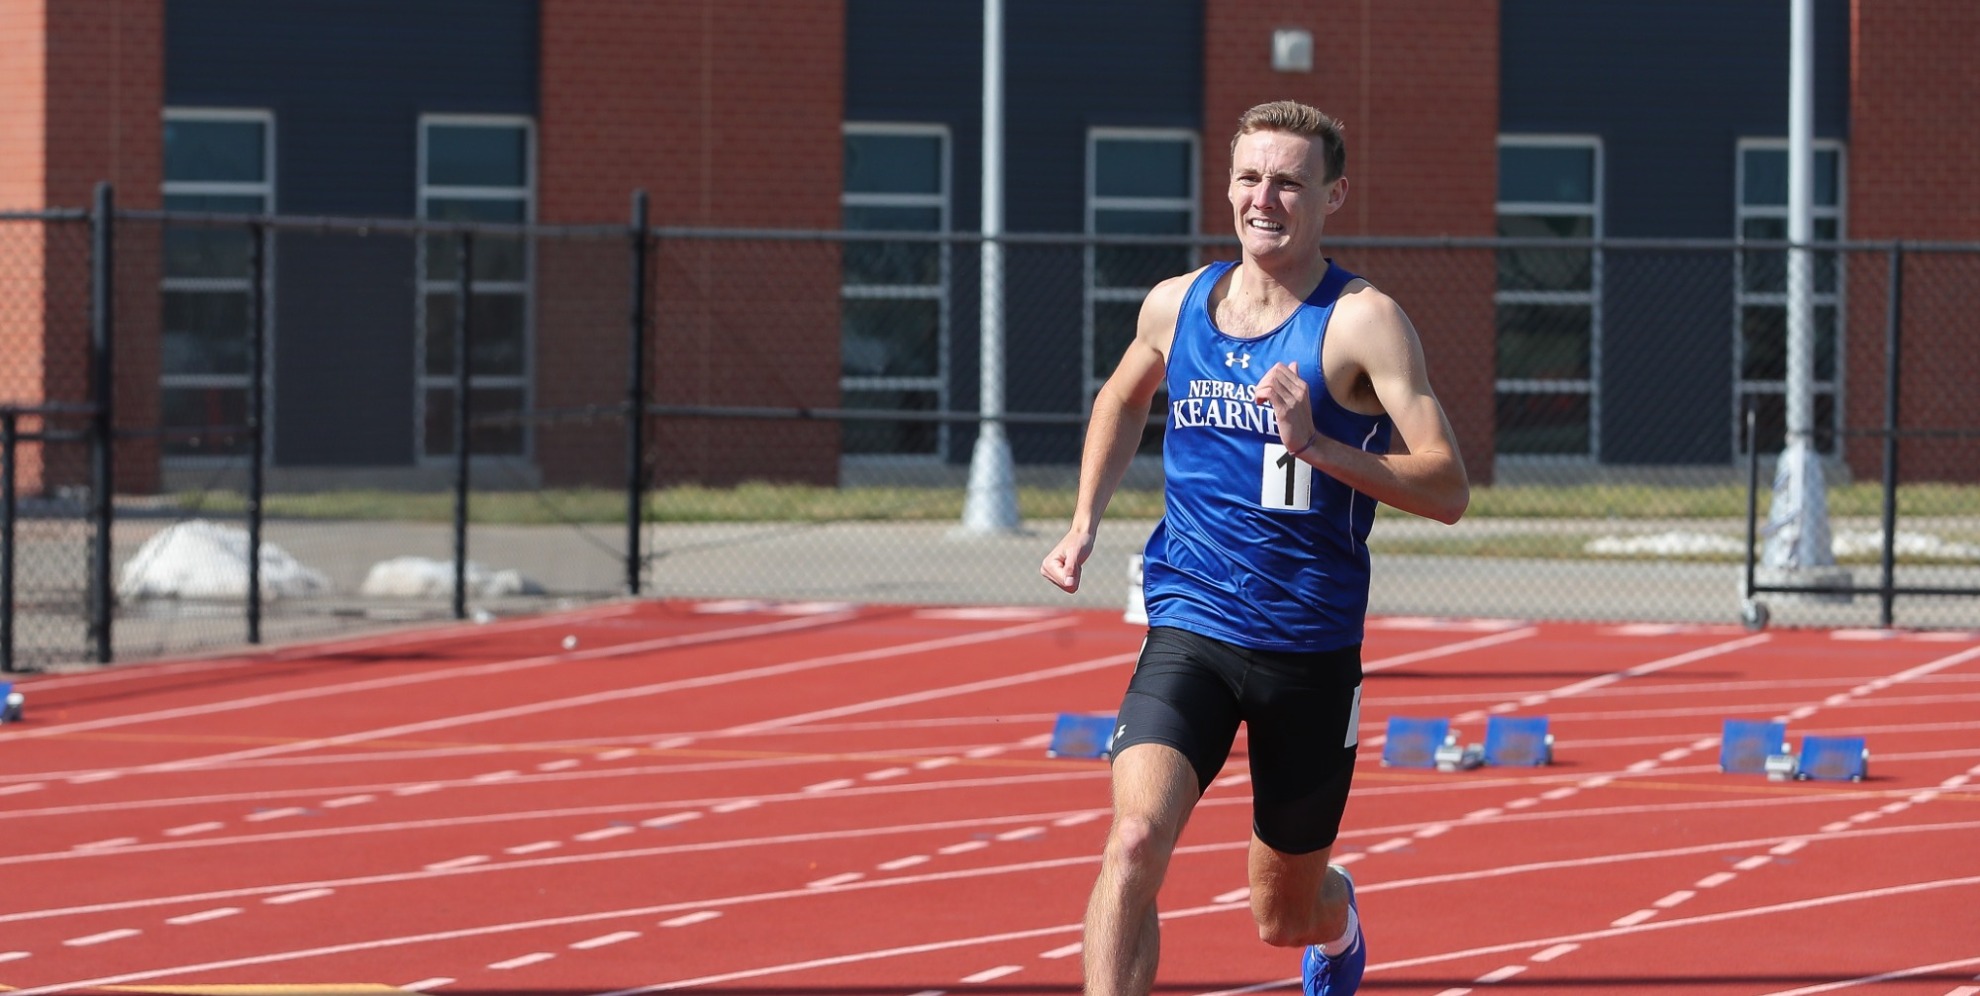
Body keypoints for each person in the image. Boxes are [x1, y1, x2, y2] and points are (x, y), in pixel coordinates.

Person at [1040, 99, 1469, 996]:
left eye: (1287, 181)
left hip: (1308, 648)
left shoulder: (1361, 322)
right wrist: (1084, 520)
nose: (1262, 198)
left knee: (1282, 917)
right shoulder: (1176, 304)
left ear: (1333, 194)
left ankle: (1340, 921)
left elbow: (1446, 486)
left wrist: (1321, 446)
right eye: (1248, 177)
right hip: (1191, 623)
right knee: (1131, 845)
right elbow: (1120, 400)